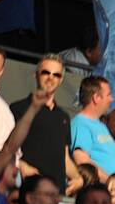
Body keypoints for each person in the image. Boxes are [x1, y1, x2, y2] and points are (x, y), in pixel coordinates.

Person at [11, 54, 77, 194]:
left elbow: (65, 158)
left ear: (61, 80)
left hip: (56, 194)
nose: (50, 78)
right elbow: (5, 146)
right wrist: (21, 165)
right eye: (46, 72)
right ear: (36, 75)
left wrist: (78, 178)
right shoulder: (18, 108)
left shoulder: (63, 117)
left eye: (56, 75)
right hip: (28, 190)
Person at [70, 75, 115, 182]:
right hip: (102, 188)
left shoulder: (99, 125)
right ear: (96, 98)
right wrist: (111, 182)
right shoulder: (81, 124)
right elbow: (82, 161)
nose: (111, 99)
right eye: (108, 95)